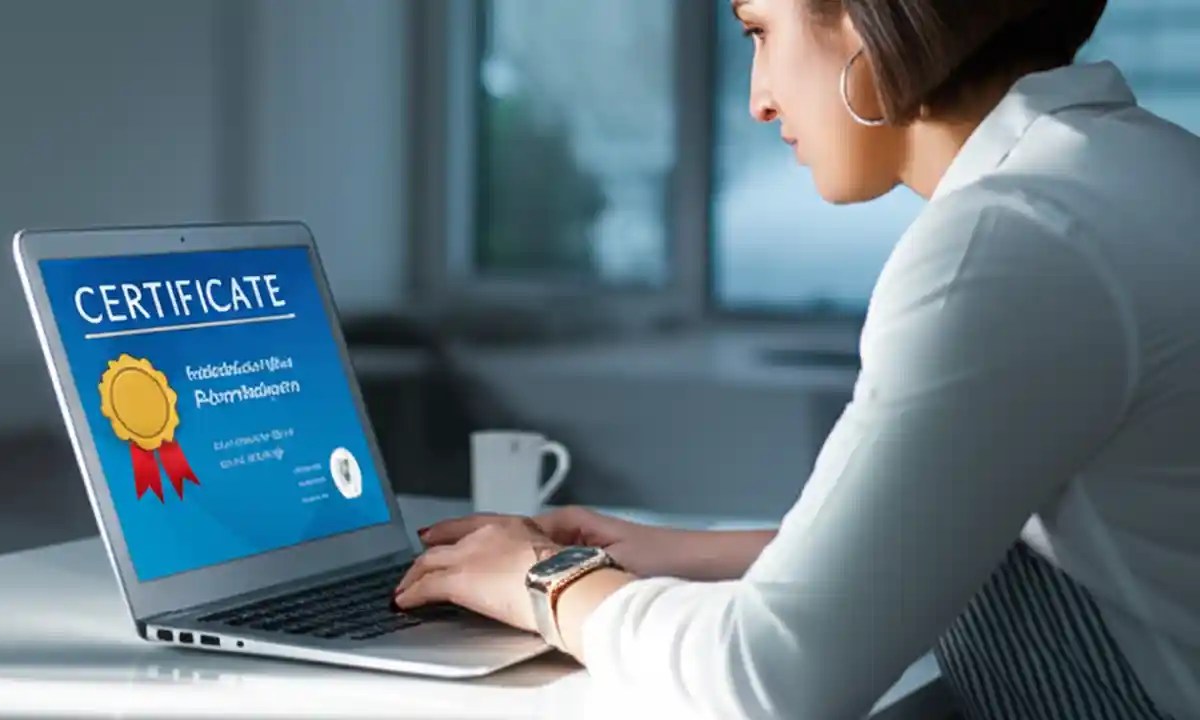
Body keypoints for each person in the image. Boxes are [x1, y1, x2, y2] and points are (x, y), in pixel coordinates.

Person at [394, 1, 1200, 717]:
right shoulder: (1139, 167)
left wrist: (545, 582)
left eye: (759, 30)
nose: (758, 98)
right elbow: (984, 525)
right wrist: (686, 555)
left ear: (864, 19)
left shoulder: (1011, 237)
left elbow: (769, 680)